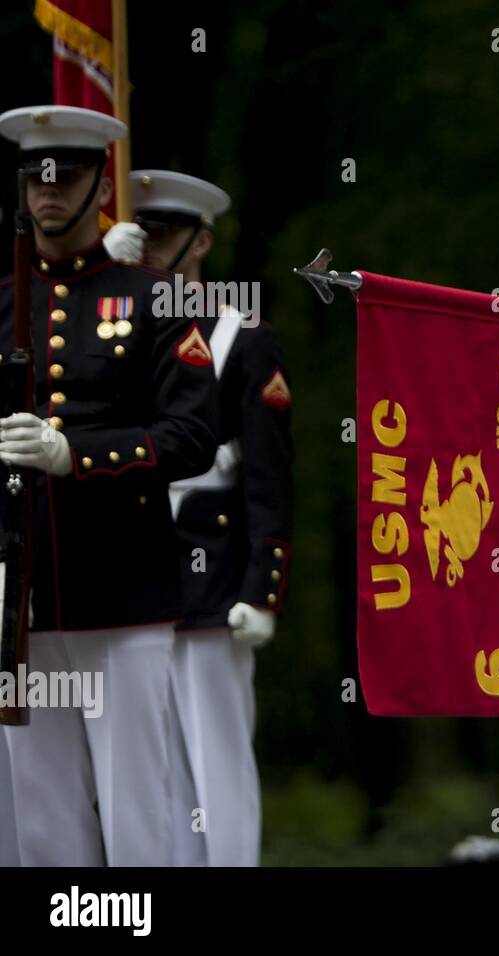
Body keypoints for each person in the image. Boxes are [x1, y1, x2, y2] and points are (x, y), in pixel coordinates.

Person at [0, 105, 217, 865]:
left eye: (66, 176)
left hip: (123, 592)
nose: (49, 192)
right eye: (36, 177)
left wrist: (75, 456)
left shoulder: (160, 299)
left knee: (137, 811)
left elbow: (192, 436)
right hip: (24, 596)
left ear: (101, 186)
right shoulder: (4, 298)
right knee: (41, 816)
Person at [104, 171, 292, 865]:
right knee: (149, 759)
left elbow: (270, 474)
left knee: (215, 750)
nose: (150, 247)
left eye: (165, 234)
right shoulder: (112, 327)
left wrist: (261, 587)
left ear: (201, 240)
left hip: (211, 562)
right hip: (129, 553)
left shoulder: (241, 335)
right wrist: (102, 279)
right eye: (140, 233)